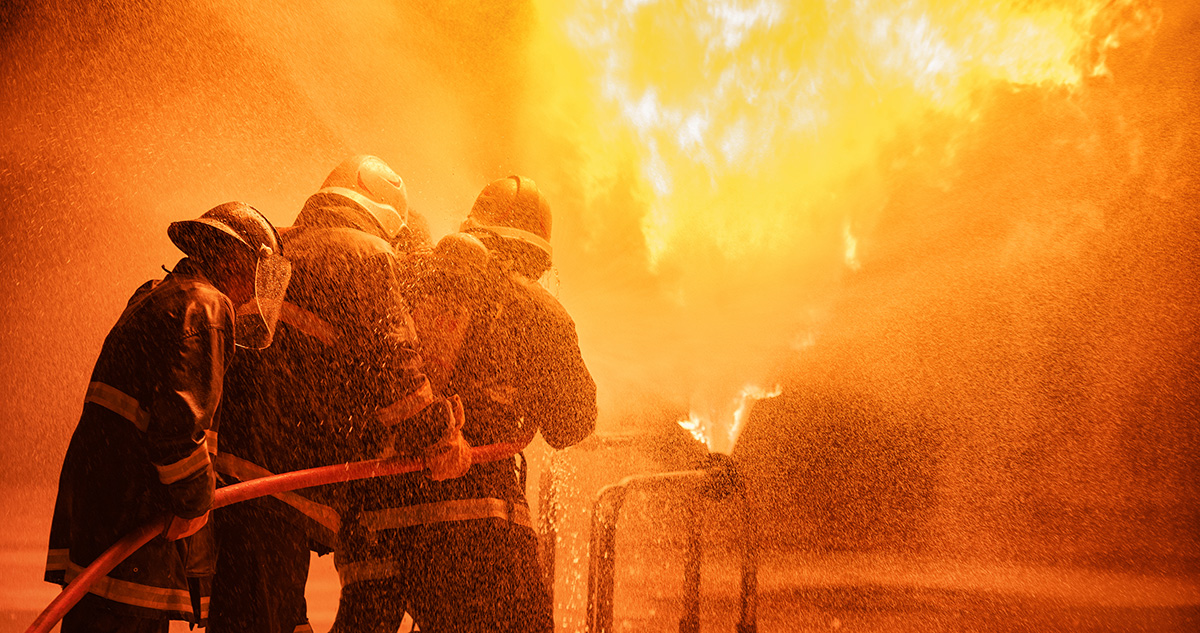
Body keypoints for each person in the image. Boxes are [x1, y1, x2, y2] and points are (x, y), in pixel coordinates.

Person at [207, 155, 470, 633]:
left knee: (256, 617)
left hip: (228, 481)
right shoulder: (368, 255)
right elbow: (397, 373)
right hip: (284, 486)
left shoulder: (276, 245)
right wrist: (441, 432)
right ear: (386, 212)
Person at [332, 175, 597, 632]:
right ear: (536, 253)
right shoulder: (537, 307)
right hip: (474, 524)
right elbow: (573, 421)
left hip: (373, 516)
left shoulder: (406, 277)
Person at [44, 201, 291, 632]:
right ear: (235, 260)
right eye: (255, 272)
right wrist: (193, 503)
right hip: (134, 516)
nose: (254, 294)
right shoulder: (207, 307)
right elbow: (178, 427)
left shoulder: (159, 295)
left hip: (102, 511)